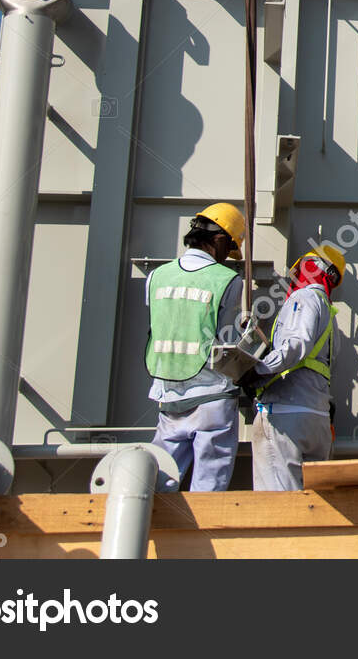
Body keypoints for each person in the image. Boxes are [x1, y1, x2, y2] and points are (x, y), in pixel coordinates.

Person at [145, 203, 247, 491]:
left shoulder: (157, 277)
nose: (228, 258)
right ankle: (201, 536)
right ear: (219, 240)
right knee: (209, 488)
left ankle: (149, 533)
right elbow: (227, 342)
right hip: (212, 397)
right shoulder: (228, 281)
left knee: (159, 482)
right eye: (229, 249)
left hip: (169, 395)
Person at [250, 249, 344, 491]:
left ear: (312, 267)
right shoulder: (329, 315)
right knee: (313, 501)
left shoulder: (304, 298)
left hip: (285, 415)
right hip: (317, 417)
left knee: (277, 504)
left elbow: (295, 344)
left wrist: (257, 371)